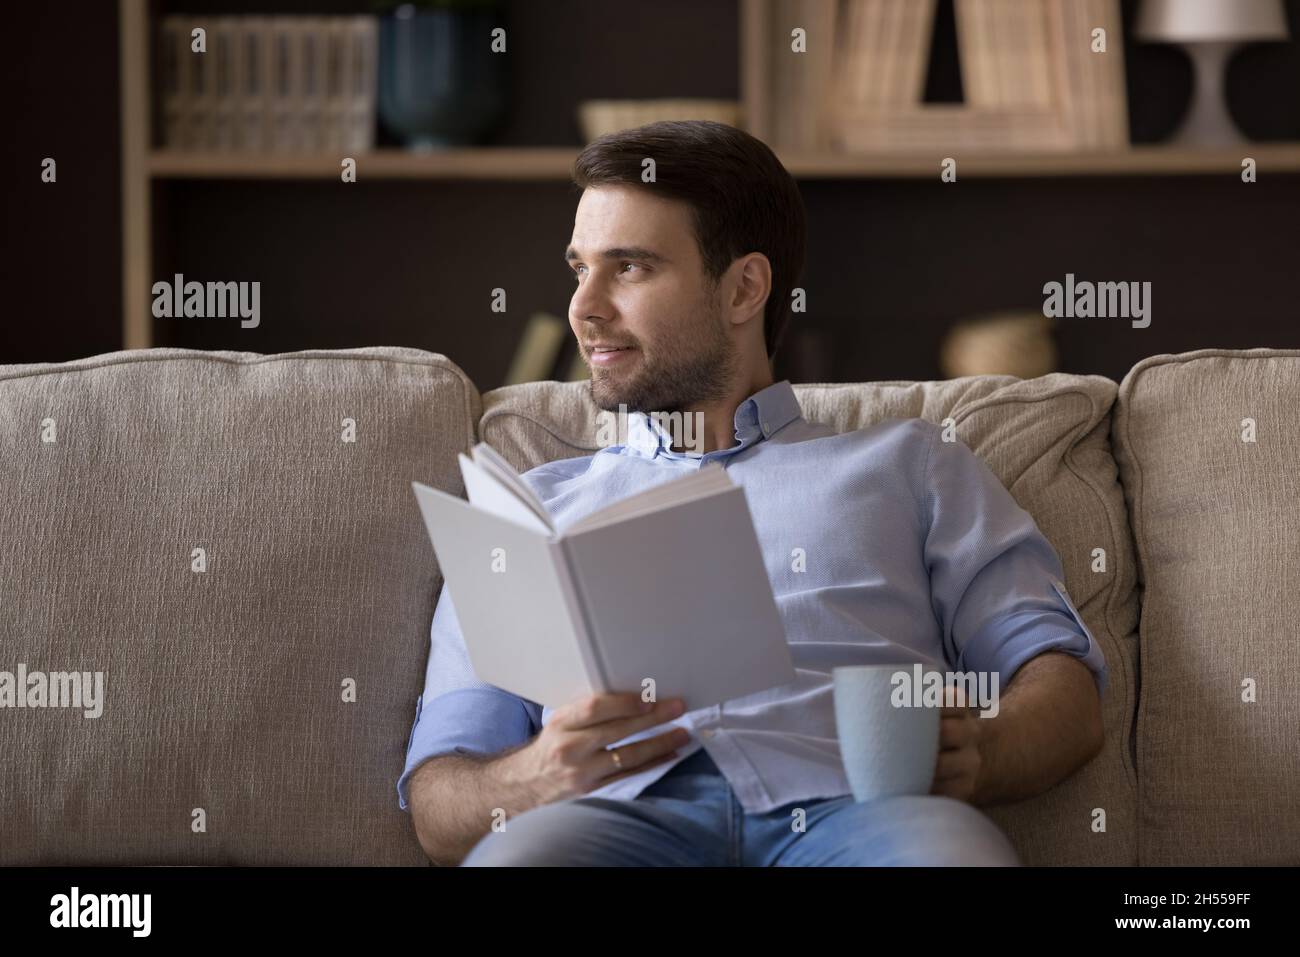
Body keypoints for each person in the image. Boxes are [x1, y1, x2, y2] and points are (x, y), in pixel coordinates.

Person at [398, 120, 1107, 866]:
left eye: (629, 267)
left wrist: (986, 751)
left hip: (860, 813)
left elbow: (1062, 687)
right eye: (580, 269)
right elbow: (441, 797)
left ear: (744, 288)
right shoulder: (525, 511)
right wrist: (532, 776)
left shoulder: (913, 464)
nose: (584, 307)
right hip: (610, 823)